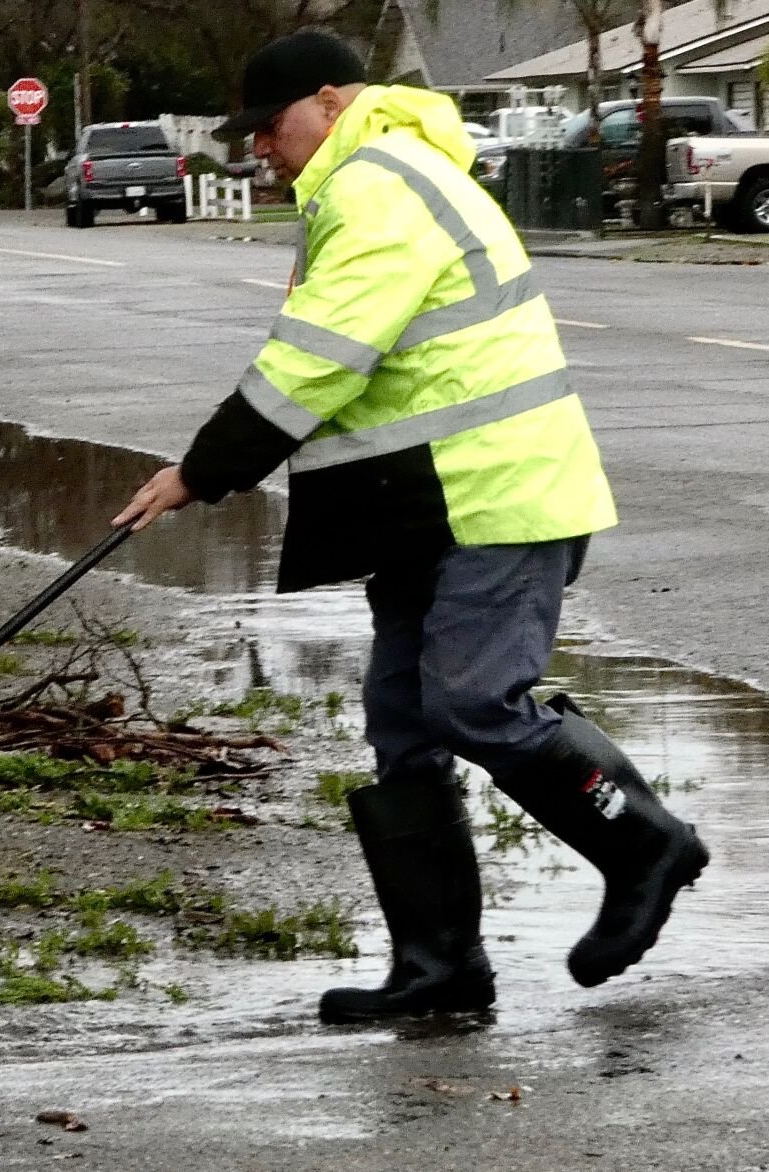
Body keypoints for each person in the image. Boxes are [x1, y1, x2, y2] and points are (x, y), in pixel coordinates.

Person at [113, 29, 708, 1023]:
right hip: (423, 506)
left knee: (475, 699)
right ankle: (439, 971)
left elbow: (317, 360)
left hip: (496, 495)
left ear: (333, 99)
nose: (257, 143)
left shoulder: (377, 182)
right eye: (249, 130)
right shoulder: (358, 183)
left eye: (271, 122)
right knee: (403, 726)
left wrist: (201, 471)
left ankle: (643, 841)